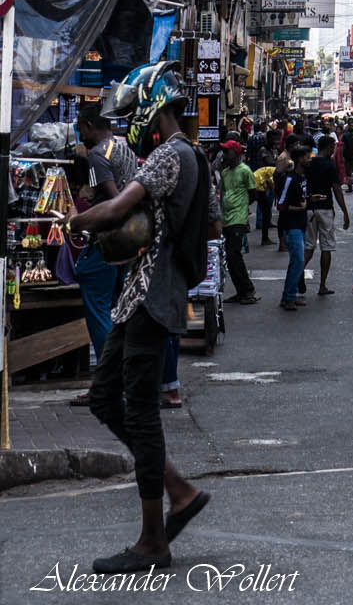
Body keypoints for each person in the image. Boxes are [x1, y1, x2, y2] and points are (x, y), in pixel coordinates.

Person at [67, 63, 214, 573]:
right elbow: (210, 222)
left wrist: (77, 220)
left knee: (140, 413)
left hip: (153, 296)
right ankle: (179, 490)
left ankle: (154, 538)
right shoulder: (195, 157)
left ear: (156, 105)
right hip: (145, 294)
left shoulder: (172, 155)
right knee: (107, 397)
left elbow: (115, 209)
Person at [70, 96, 138, 400]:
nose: (79, 135)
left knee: (98, 309)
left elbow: (112, 200)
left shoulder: (98, 155)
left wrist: (83, 220)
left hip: (108, 239)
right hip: (126, 240)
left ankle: (108, 382)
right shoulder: (123, 147)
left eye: (80, 128)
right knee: (113, 309)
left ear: (88, 125)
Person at [306, 134, 350, 297]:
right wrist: (344, 211)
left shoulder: (309, 164)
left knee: (309, 246)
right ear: (329, 147)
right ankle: (322, 285)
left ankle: (297, 276)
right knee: (327, 247)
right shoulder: (330, 166)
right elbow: (337, 190)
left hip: (310, 208)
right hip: (325, 208)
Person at [217, 142, 258, 305]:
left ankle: (247, 290)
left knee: (234, 254)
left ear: (236, 153)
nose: (224, 155)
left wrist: (242, 208)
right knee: (230, 256)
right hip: (226, 218)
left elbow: (253, 193)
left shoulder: (245, 171)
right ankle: (242, 290)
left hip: (237, 218)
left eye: (227, 152)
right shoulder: (225, 172)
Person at [276, 143, 310, 312]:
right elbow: (281, 204)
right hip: (292, 226)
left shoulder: (303, 178)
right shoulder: (290, 179)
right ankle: (289, 296)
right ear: (298, 159)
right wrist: (300, 208)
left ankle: (290, 295)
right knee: (297, 261)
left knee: (296, 261)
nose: (308, 159)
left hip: (301, 224)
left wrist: (310, 200)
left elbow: (301, 199)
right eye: (305, 157)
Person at [245, 124, 274, 242]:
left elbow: (248, 153)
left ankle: (262, 222)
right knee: (264, 201)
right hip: (262, 176)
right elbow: (268, 162)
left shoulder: (251, 138)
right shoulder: (264, 148)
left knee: (263, 202)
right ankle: (261, 222)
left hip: (255, 169)